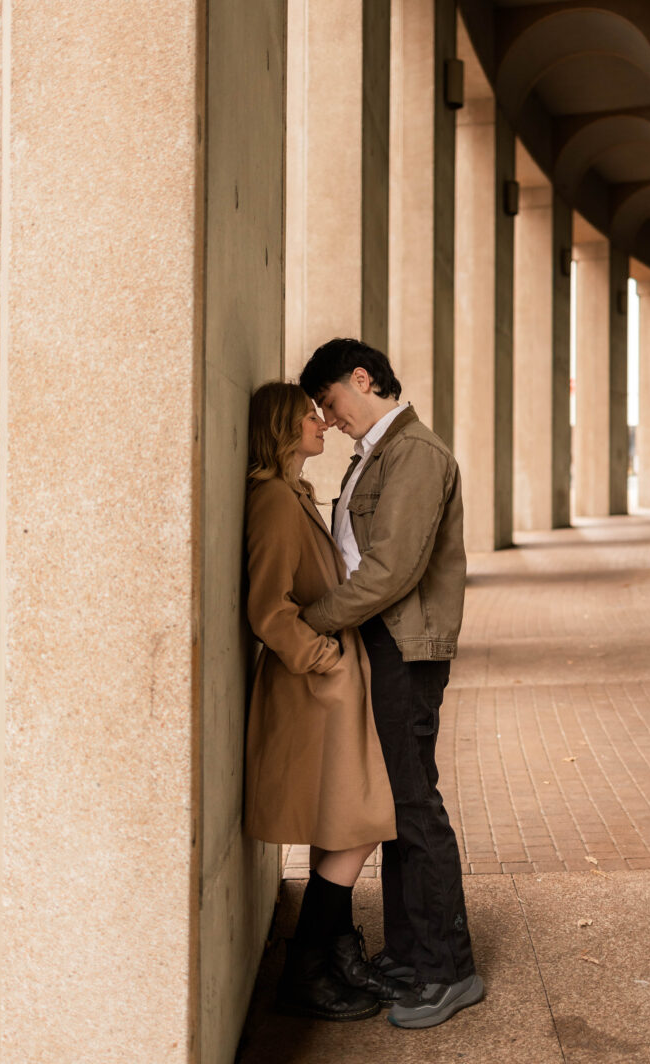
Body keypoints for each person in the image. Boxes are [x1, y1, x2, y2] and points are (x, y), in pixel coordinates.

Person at [299, 339, 484, 1030]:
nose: (328, 414)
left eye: (330, 399)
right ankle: (409, 957)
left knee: (413, 806)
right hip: (380, 641)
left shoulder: (414, 454)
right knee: (394, 807)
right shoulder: (377, 452)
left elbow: (390, 571)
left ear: (363, 376)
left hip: (402, 646)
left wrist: (310, 621)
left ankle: (449, 970)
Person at [243, 381, 416, 1021]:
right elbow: (267, 608)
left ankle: (332, 956)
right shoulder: (273, 501)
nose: (321, 422)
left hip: (327, 685)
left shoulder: (293, 494)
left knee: (343, 821)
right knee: (364, 817)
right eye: (309, 415)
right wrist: (327, 661)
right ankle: (307, 967)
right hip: (314, 686)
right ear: (284, 428)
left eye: (322, 411)